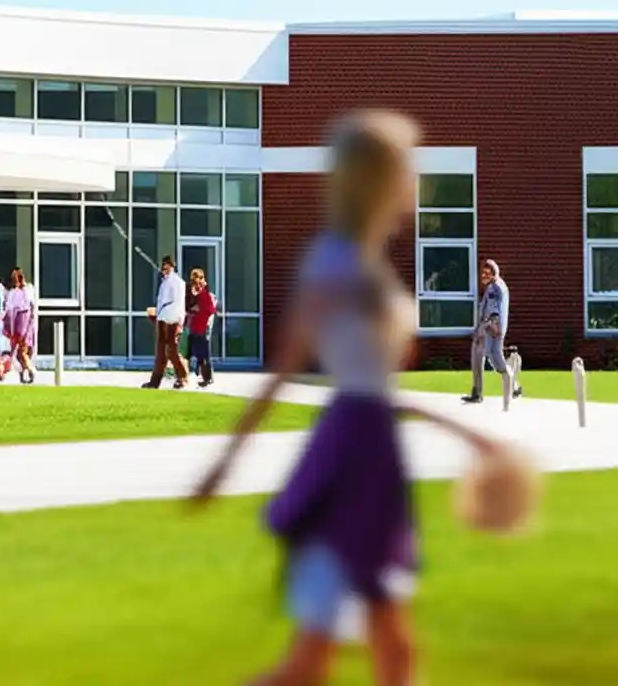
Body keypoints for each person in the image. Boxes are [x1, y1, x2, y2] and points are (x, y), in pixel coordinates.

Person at [190, 110, 510, 686]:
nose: (415, 178)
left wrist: (472, 436)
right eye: (406, 166)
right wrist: (223, 464)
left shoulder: (364, 262)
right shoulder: (335, 263)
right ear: (380, 176)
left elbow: (376, 390)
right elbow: (284, 369)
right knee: (337, 663)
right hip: (351, 463)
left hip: (370, 456)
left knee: (360, 660)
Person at [463, 259, 523, 410]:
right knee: (493, 356)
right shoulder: (500, 286)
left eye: (486, 272)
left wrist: (489, 325)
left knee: (484, 356)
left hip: (489, 327)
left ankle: (479, 392)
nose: (483, 275)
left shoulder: (493, 288)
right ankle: (512, 385)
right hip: (493, 327)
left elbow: (494, 307)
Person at [143, 256, 189, 390]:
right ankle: (155, 382)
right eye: (163, 266)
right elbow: (162, 301)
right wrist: (157, 313)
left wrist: (178, 321)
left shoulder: (177, 282)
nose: (164, 268)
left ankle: (182, 377)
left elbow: (177, 304)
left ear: (172, 266)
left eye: (166, 265)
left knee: (172, 351)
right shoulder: (165, 282)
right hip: (163, 319)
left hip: (172, 321)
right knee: (161, 353)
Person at [3, 268, 37, 384]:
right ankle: (24, 373)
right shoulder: (26, 291)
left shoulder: (17, 293)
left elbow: (10, 310)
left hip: (20, 326)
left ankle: (30, 369)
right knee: (22, 352)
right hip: (25, 326)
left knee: (21, 352)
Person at [186, 268, 218, 388]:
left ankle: (208, 378)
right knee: (197, 354)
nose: (197, 285)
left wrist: (198, 309)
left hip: (203, 328)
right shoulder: (195, 295)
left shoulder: (205, 295)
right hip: (194, 327)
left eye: (199, 281)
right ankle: (200, 375)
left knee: (204, 354)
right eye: (194, 282)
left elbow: (211, 310)